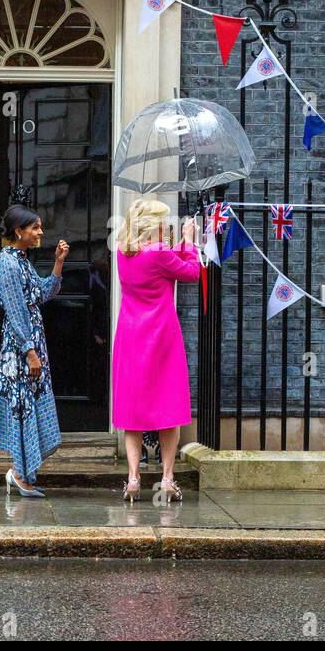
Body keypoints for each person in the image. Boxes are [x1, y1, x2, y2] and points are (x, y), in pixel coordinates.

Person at [112, 199, 200, 503]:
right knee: (168, 407)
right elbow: (191, 273)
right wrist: (188, 242)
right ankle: (166, 479)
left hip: (131, 334)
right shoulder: (160, 253)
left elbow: (159, 264)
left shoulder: (124, 252)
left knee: (132, 411)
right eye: (163, 221)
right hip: (161, 335)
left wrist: (174, 245)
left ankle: (134, 479)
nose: (167, 226)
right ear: (151, 224)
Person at [0, 204, 69, 498]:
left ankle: (22, 472)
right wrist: (29, 351)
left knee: (30, 403)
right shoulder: (7, 264)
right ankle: (19, 473)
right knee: (22, 404)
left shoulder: (21, 261)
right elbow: (14, 311)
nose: (40, 232)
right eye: (35, 227)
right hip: (20, 349)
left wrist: (58, 263)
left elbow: (42, 293)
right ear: (18, 231)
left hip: (32, 345)